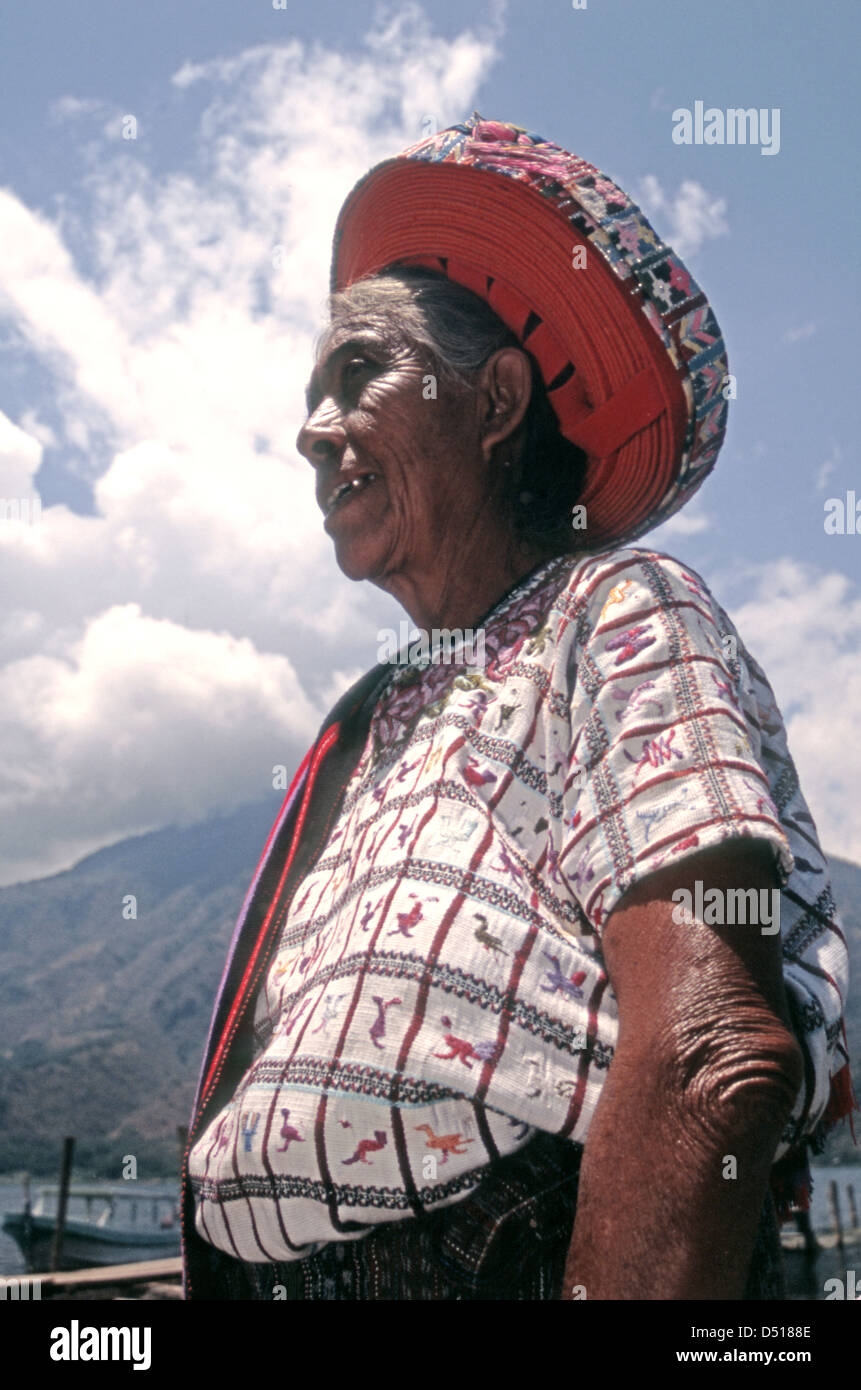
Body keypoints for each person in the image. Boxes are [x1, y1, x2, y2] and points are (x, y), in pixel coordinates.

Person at [181, 114, 852, 1301]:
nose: (310, 429)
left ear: (495, 403)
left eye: (356, 373)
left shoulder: (619, 614)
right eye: (313, 392)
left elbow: (710, 1052)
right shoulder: (373, 725)